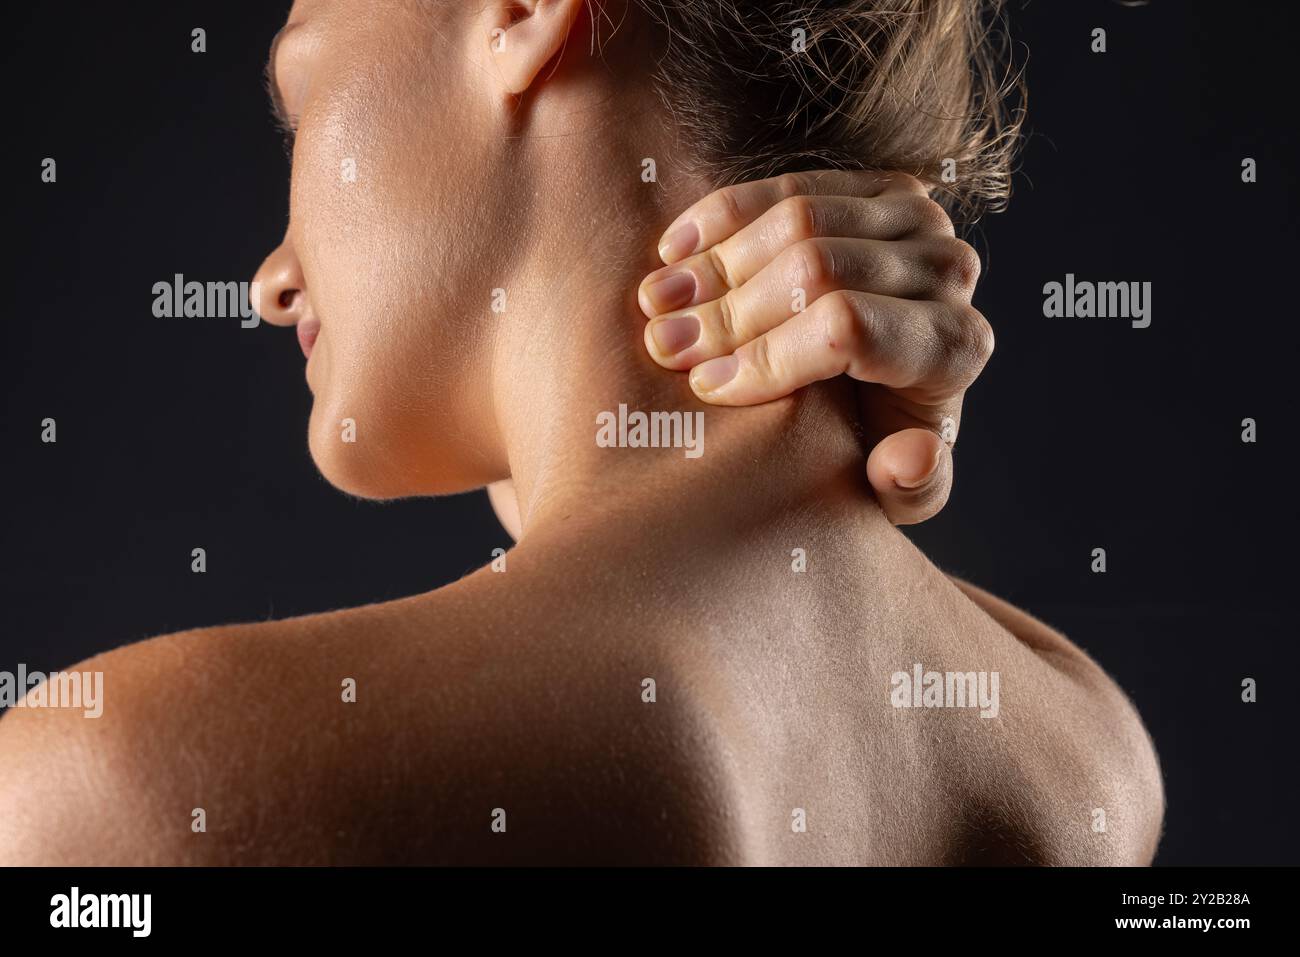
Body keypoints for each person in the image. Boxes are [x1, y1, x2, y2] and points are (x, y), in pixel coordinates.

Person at [0, 0, 1162, 865]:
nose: (270, 280)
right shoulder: (1080, 754)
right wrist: (833, 427)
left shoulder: (120, 786)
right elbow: (655, 529)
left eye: (303, 101)